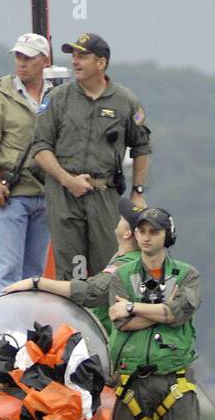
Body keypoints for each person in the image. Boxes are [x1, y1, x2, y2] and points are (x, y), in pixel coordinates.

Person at [107, 207, 203, 420]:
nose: (147, 237)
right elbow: (120, 322)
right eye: (142, 231)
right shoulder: (122, 274)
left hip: (174, 379)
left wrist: (134, 308)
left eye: (154, 231)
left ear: (167, 236)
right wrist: (158, 312)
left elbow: (180, 312)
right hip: (131, 382)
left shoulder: (187, 275)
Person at [30, 32, 151, 281]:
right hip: (64, 194)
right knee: (70, 270)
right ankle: (70, 319)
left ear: (101, 62)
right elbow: (40, 147)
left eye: (82, 56)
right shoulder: (58, 98)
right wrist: (67, 180)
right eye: (73, 56)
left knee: (107, 265)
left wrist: (138, 190)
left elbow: (142, 147)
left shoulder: (125, 101)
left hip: (104, 194)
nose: (75, 61)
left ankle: (104, 319)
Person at [0, 33, 53, 296]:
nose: (21, 63)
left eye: (28, 57)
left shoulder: (58, 95)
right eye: (18, 56)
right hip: (11, 194)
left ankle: (31, 333)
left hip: (47, 194)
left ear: (44, 61)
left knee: (35, 274)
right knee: (7, 271)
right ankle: (4, 332)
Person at [2, 195, 142, 331]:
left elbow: (92, 292)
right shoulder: (128, 258)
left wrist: (36, 283)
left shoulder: (126, 264)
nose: (117, 219)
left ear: (127, 234)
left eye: (122, 219)